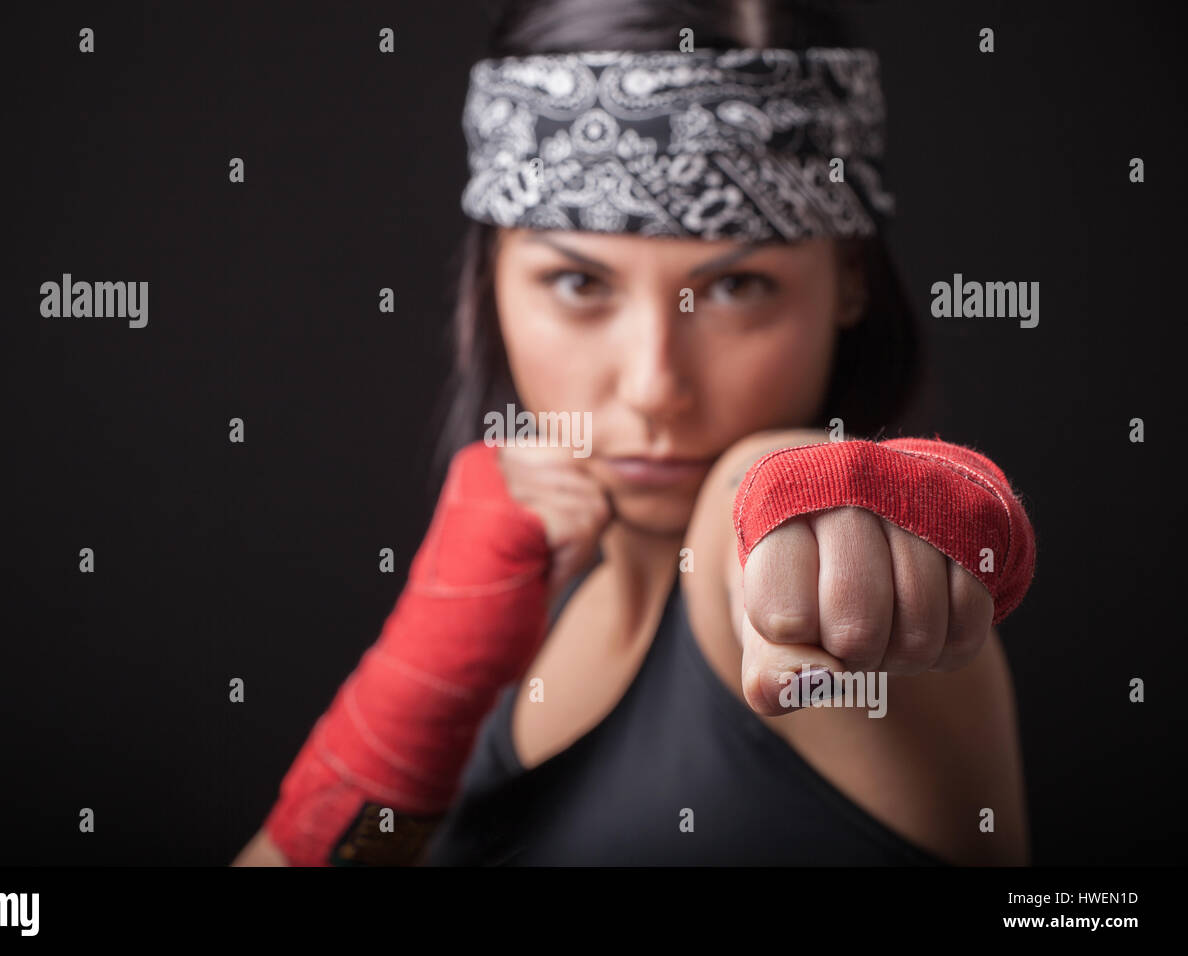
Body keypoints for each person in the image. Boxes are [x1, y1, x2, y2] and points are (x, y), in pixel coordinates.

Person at [233, 0, 1036, 867]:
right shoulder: (516, 594)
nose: (654, 386)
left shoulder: (778, 579)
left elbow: (774, 497)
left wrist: (864, 517)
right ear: (491, 277)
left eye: (737, 288)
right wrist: (421, 670)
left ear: (848, 283)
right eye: (579, 281)